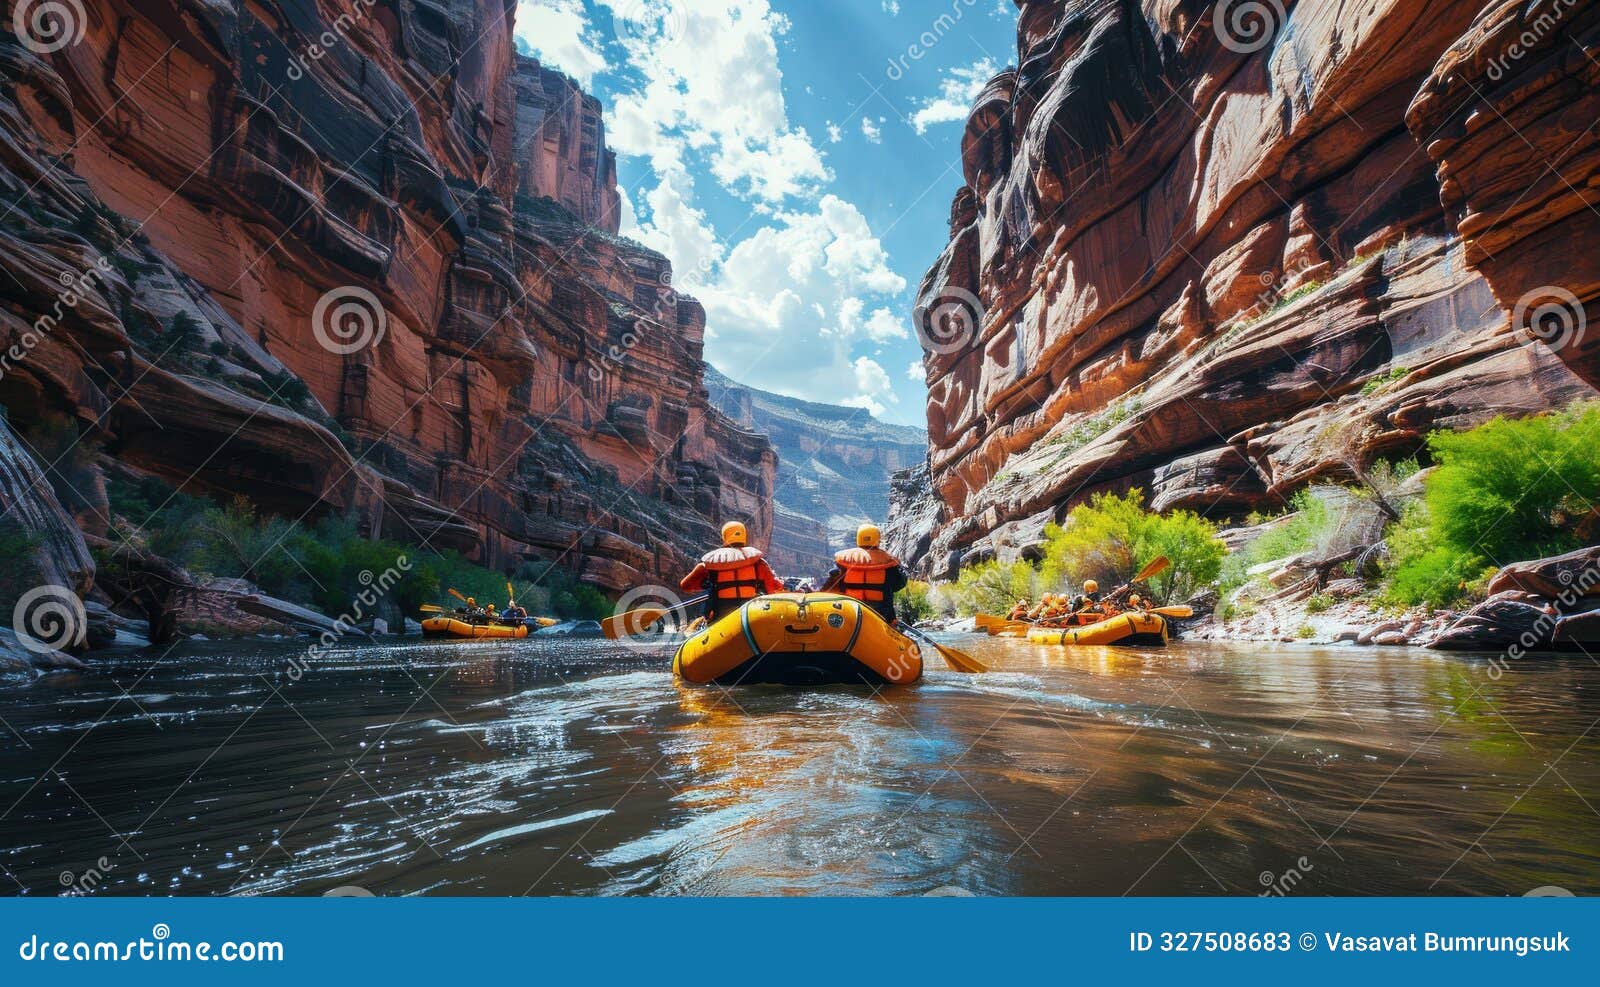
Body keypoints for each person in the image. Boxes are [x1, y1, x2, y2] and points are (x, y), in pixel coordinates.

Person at [679, 521, 784, 623]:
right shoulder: (759, 563)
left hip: (721, 616)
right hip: (749, 614)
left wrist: (706, 584)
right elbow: (774, 588)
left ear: (725, 536)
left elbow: (685, 586)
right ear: (744, 536)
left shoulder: (708, 565)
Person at [824, 523, 907, 624]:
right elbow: (898, 585)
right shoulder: (888, 562)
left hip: (851, 611)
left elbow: (831, 585)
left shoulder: (844, 562)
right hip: (881, 615)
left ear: (859, 538)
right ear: (877, 539)